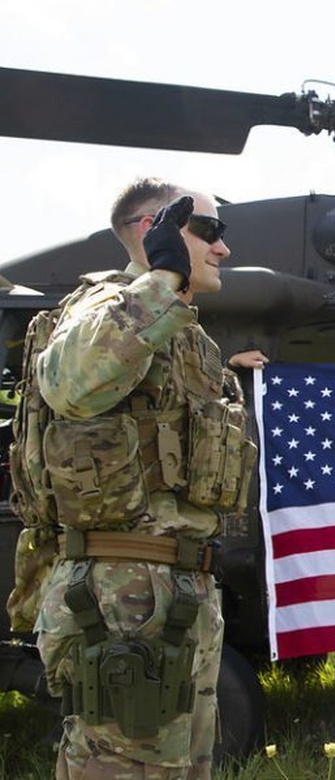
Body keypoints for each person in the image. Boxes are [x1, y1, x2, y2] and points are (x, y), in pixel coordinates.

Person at [28, 177, 262, 778]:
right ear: (151, 231)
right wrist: (165, 277)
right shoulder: (107, 303)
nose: (222, 249)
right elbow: (71, 384)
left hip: (176, 591)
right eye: (207, 231)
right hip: (121, 595)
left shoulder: (179, 332)